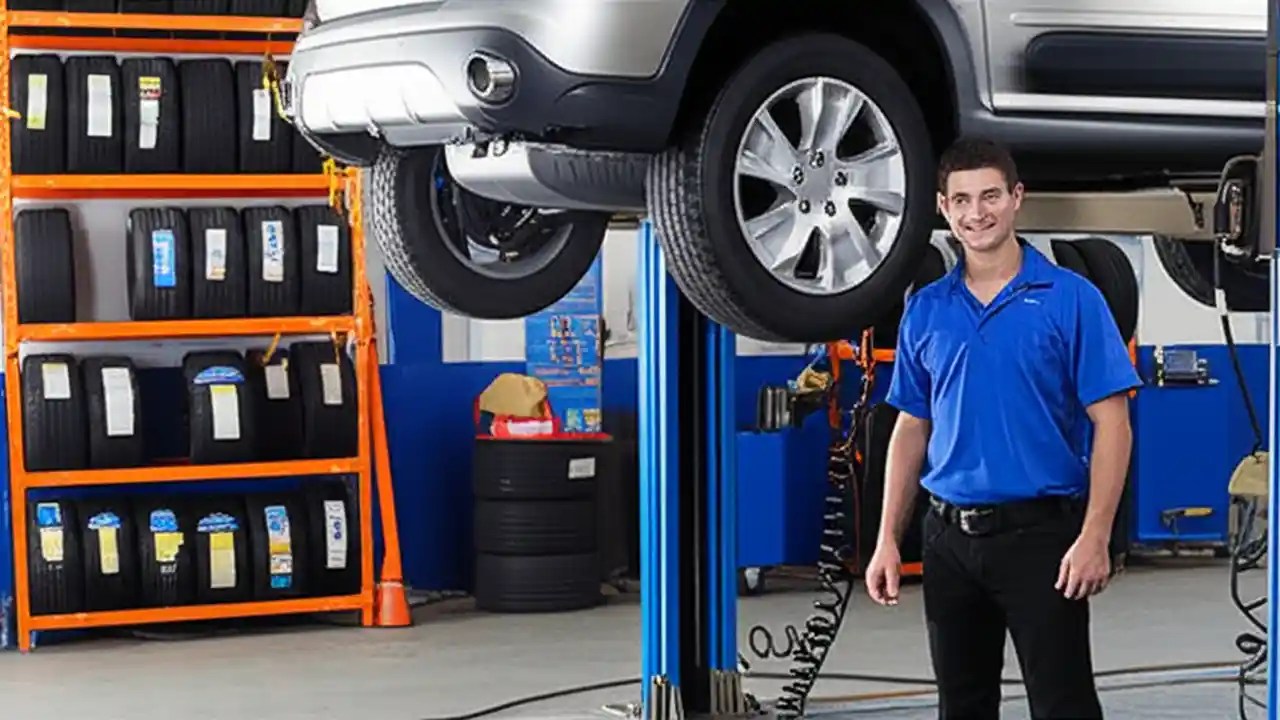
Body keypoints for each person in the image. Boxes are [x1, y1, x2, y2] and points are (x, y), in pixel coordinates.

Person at [862, 136, 1142, 720]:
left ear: (1017, 198)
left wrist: (1095, 536)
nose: (976, 213)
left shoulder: (1071, 299)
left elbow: (1113, 426)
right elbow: (911, 428)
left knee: (1063, 705)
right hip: (948, 543)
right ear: (943, 208)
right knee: (961, 706)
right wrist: (888, 537)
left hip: (1043, 540)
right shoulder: (926, 309)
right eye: (961, 200)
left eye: (990, 195)